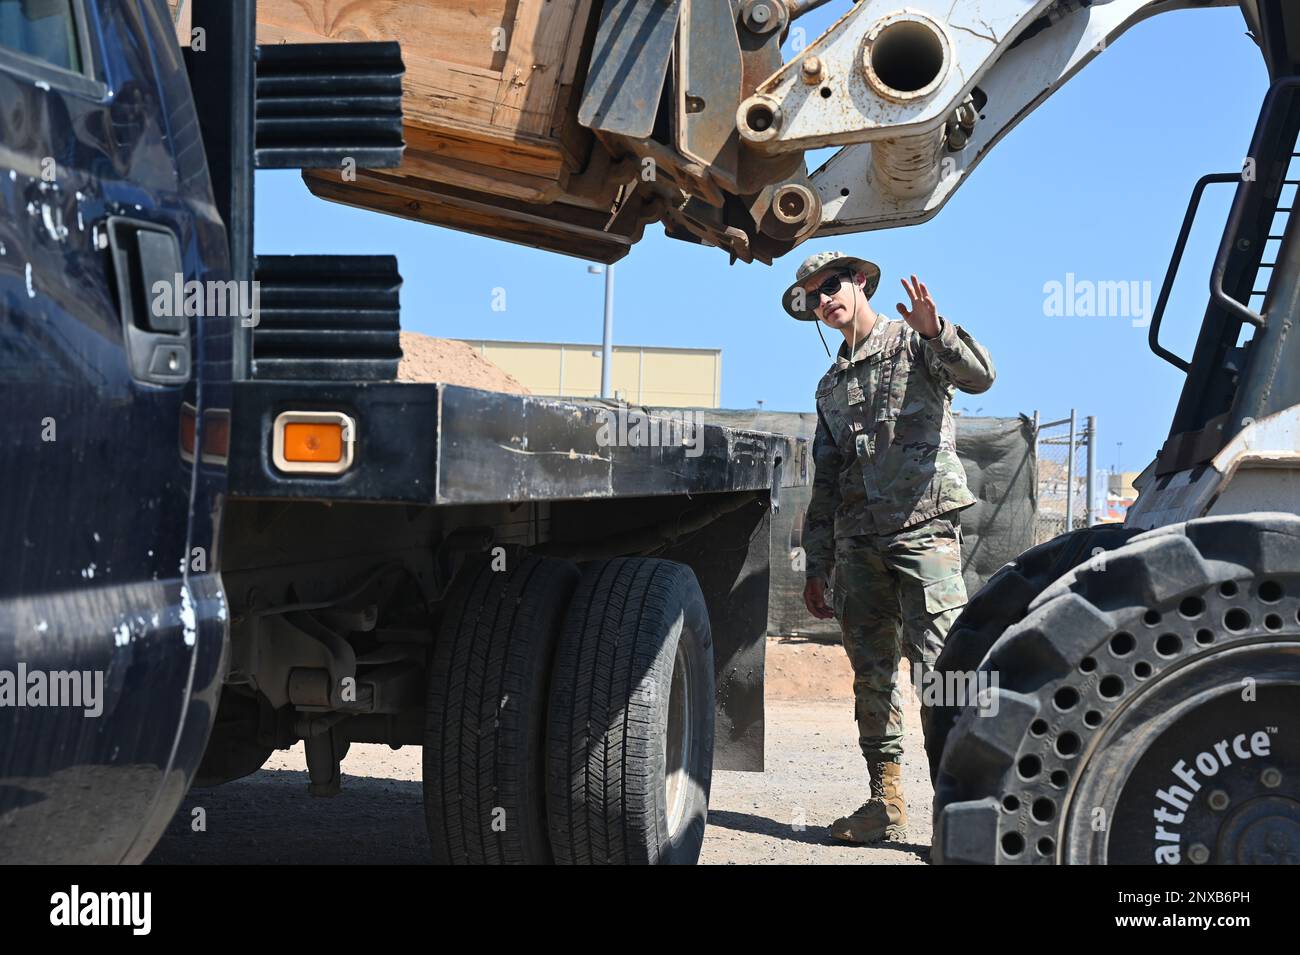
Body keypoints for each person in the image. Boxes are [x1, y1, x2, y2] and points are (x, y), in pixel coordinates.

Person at [782, 250, 996, 843]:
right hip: (859, 547)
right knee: (872, 678)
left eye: (830, 286)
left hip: (924, 531)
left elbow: (980, 375)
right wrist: (817, 564)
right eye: (813, 297)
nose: (824, 301)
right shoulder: (828, 387)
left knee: (943, 674)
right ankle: (886, 805)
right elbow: (826, 480)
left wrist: (938, 330)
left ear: (859, 282)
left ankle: (958, 817)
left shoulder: (915, 343)